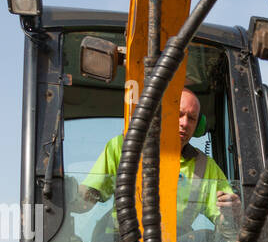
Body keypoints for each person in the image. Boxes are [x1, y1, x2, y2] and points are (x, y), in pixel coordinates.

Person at [72, 87, 242, 233]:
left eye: (191, 118)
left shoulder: (204, 166)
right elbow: (87, 199)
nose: (184, 123)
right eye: (179, 114)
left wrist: (232, 214)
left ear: (198, 126)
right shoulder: (123, 147)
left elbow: (227, 227)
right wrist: (68, 192)